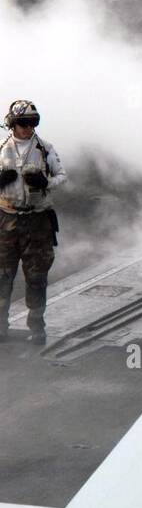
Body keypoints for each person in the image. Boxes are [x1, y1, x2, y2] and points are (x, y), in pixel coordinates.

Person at [0, 100, 66, 345]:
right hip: (6, 218)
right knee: (2, 275)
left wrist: (45, 183)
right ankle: (1, 326)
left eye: (33, 123)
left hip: (37, 219)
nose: (28, 128)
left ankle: (37, 327)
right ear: (13, 124)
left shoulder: (44, 149)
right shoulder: (1, 149)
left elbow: (62, 176)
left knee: (36, 276)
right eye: (24, 123)